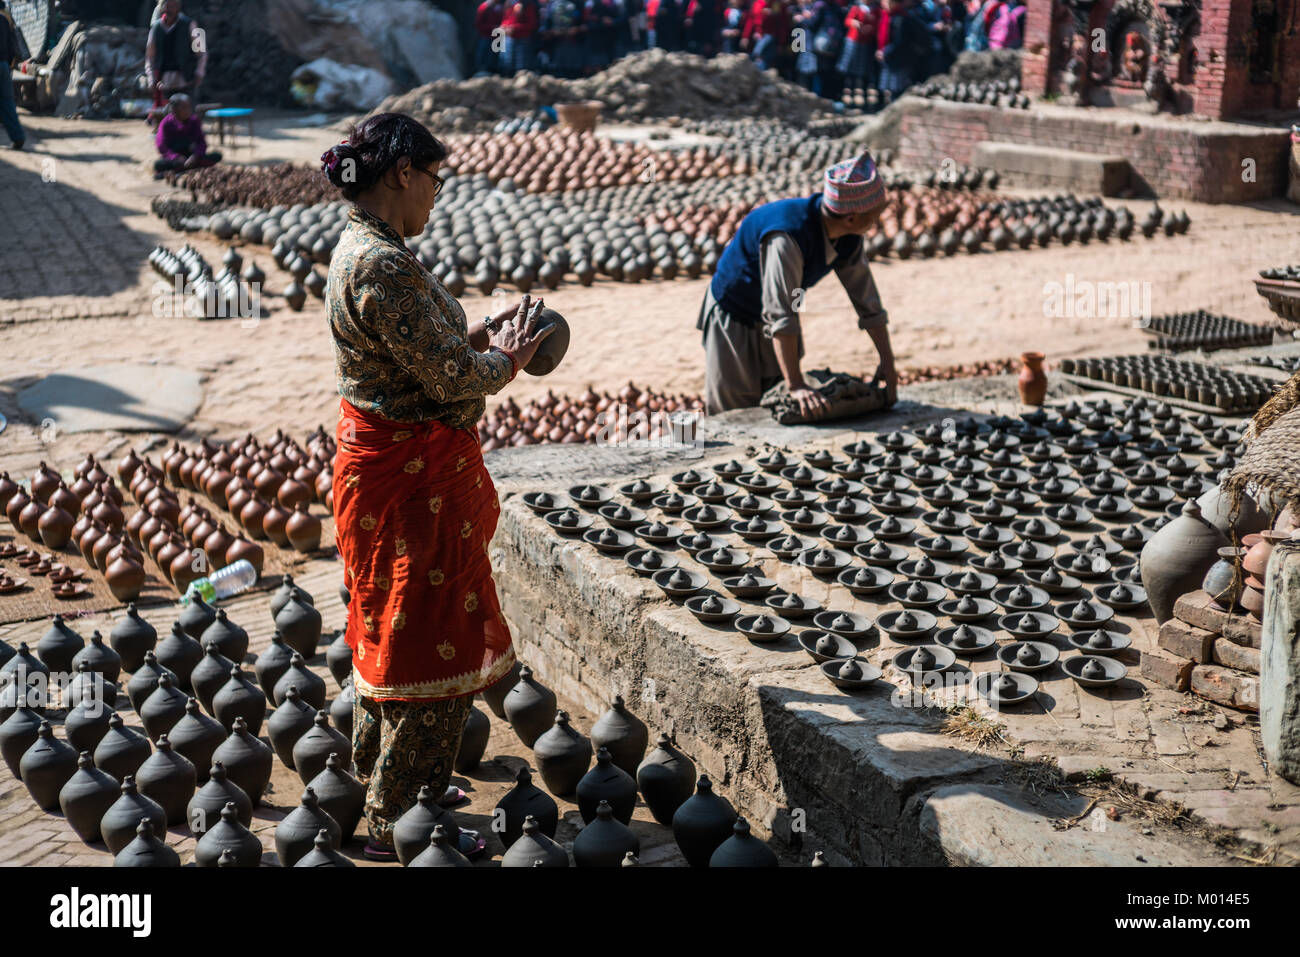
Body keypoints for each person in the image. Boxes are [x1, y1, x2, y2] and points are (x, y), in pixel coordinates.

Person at [321, 113, 553, 862]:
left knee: (388, 626)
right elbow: (452, 376)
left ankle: (385, 776)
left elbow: (427, 346)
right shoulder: (381, 265)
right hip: (407, 481)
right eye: (434, 179)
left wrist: (485, 328)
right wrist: (509, 357)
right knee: (427, 638)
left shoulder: (370, 247)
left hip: (393, 468)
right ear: (401, 174)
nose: (436, 196)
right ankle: (399, 814)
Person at [695, 150, 897, 418]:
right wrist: (796, 384)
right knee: (735, 410)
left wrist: (887, 361)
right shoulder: (787, 236)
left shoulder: (848, 237)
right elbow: (780, 314)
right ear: (851, 217)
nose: (878, 220)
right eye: (875, 213)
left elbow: (867, 302)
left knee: (774, 401)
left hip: (780, 312)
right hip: (733, 315)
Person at [145, 0, 208, 106]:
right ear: (162, 7)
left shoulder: (191, 24)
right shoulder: (155, 29)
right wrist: (151, 77)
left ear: (179, 6)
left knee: (187, 114)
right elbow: (150, 56)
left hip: (186, 80)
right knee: (167, 117)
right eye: (168, 6)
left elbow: (202, 52)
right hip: (164, 82)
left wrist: (199, 72)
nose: (171, 9)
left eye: (174, 5)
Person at [153, 93, 220, 176]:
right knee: (158, 165)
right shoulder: (166, 123)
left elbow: (201, 142)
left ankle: (183, 169)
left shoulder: (194, 120)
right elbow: (161, 146)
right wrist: (176, 157)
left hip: (191, 154)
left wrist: (195, 156)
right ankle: (186, 168)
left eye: (189, 107)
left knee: (217, 156)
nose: (188, 110)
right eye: (184, 108)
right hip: (176, 157)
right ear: (174, 110)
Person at [836, 0, 876, 106]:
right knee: (849, 68)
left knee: (862, 70)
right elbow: (847, 21)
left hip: (866, 43)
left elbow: (877, 25)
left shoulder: (874, 10)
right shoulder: (856, 8)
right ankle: (848, 93)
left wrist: (871, 29)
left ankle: (861, 95)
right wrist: (854, 23)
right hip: (853, 41)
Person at [0, 0, 26, 150]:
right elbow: (11, 45)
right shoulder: (4, 19)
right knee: (8, 103)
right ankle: (18, 137)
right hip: (4, 65)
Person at [499, 0, 540, 74]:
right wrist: (504, 26)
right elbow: (505, 19)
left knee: (521, 65)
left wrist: (514, 28)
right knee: (507, 63)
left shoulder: (529, 6)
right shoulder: (509, 4)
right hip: (509, 38)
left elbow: (532, 25)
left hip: (523, 39)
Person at [474, 0, 504, 74]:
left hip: (497, 36)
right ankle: (481, 70)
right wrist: (493, 27)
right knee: (483, 54)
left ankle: (493, 70)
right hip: (486, 36)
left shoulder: (500, 7)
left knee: (495, 56)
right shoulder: (484, 7)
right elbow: (479, 24)